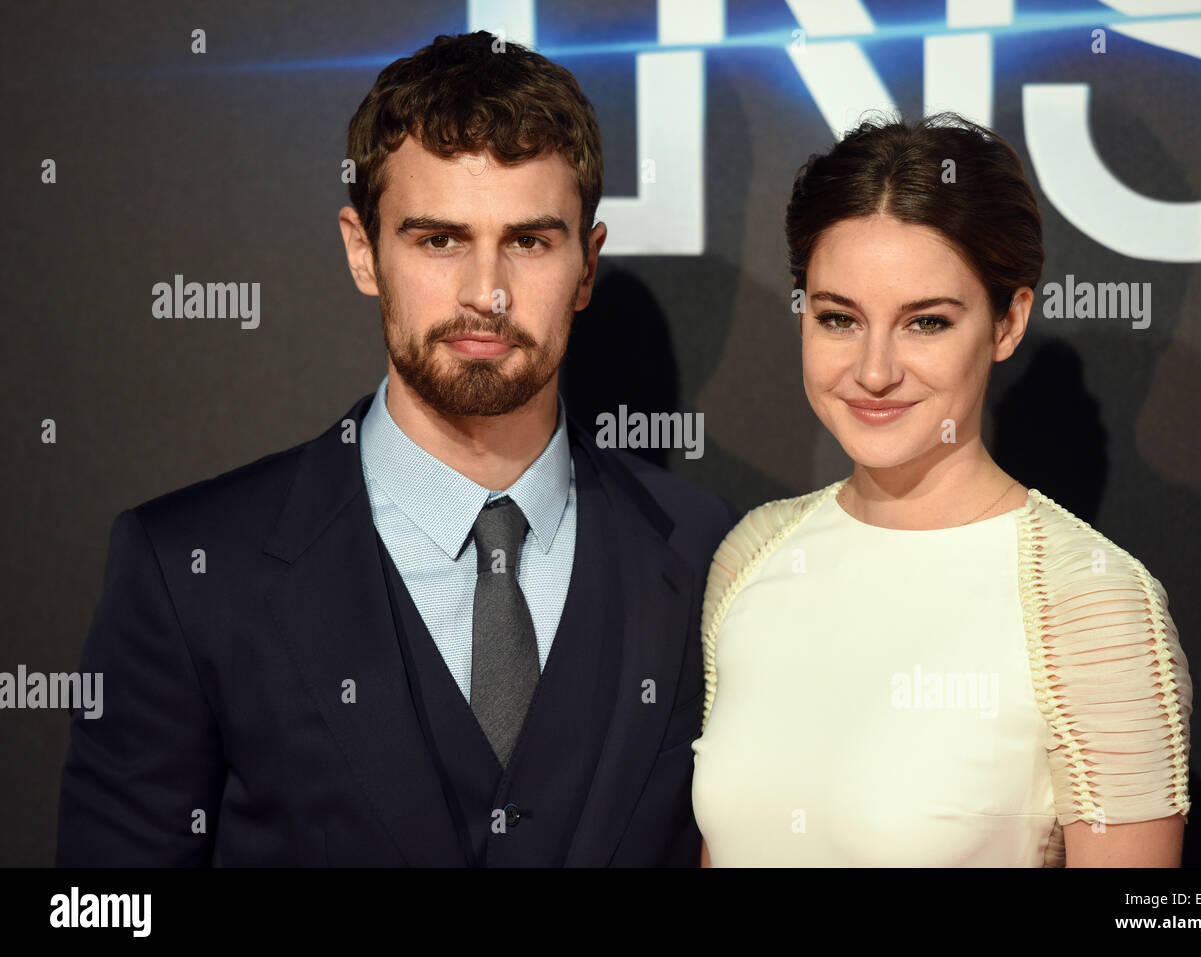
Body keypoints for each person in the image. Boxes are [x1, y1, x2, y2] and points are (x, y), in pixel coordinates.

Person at [56, 31, 735, 867]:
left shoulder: (710, 556)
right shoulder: (190, 569)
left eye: (529, 241)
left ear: (586, 264)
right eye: (438, 239)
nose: (485, 293)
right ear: (361, 250)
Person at [690, 113, 1192, 867]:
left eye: (925, 322)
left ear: (1007, 322)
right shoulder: (751, 557)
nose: (875, 369)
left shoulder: (1091, 605)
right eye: (838, 319)